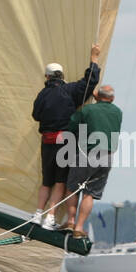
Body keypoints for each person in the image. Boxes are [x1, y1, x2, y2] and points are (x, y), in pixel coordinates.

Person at [31, 44, 101, 229]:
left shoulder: (42, 95)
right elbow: (89, 82)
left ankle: (38, 214)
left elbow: (36, 115)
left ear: (46, 77)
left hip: (47, 142)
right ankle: (50, 217)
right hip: (65, 142)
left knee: (46, 181)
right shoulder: (70, 91)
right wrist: (94, 59)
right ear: (62, 76)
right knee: (60, 182)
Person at [63, 84, 122, 239]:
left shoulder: (87, 110)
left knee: (72, 187)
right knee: (90, 193)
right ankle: (79, 227)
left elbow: (71, 127)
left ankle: (70, 222)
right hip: (107, 156)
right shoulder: (118, 112)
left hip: (87, 153)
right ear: (113, 98)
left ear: (97, 96)